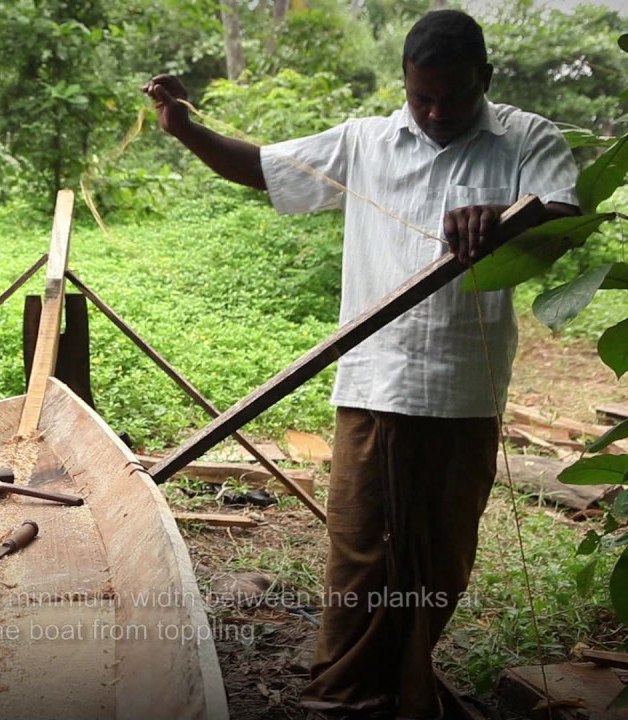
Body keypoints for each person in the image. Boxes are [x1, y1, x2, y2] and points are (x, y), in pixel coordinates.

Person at [145, 10, 579, 719]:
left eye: (455, 97)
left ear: (486, 82)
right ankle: (342, 696)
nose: (437, 112)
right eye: (422, 97)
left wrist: (503, 216)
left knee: (441, 556)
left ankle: (406, 690)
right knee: (359, 551)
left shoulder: (528, 137)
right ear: (403, 85)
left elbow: (560, 217)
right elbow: (263, 167)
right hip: (375, 381)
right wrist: (188, 129)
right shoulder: (366, 141)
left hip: (465, 388)